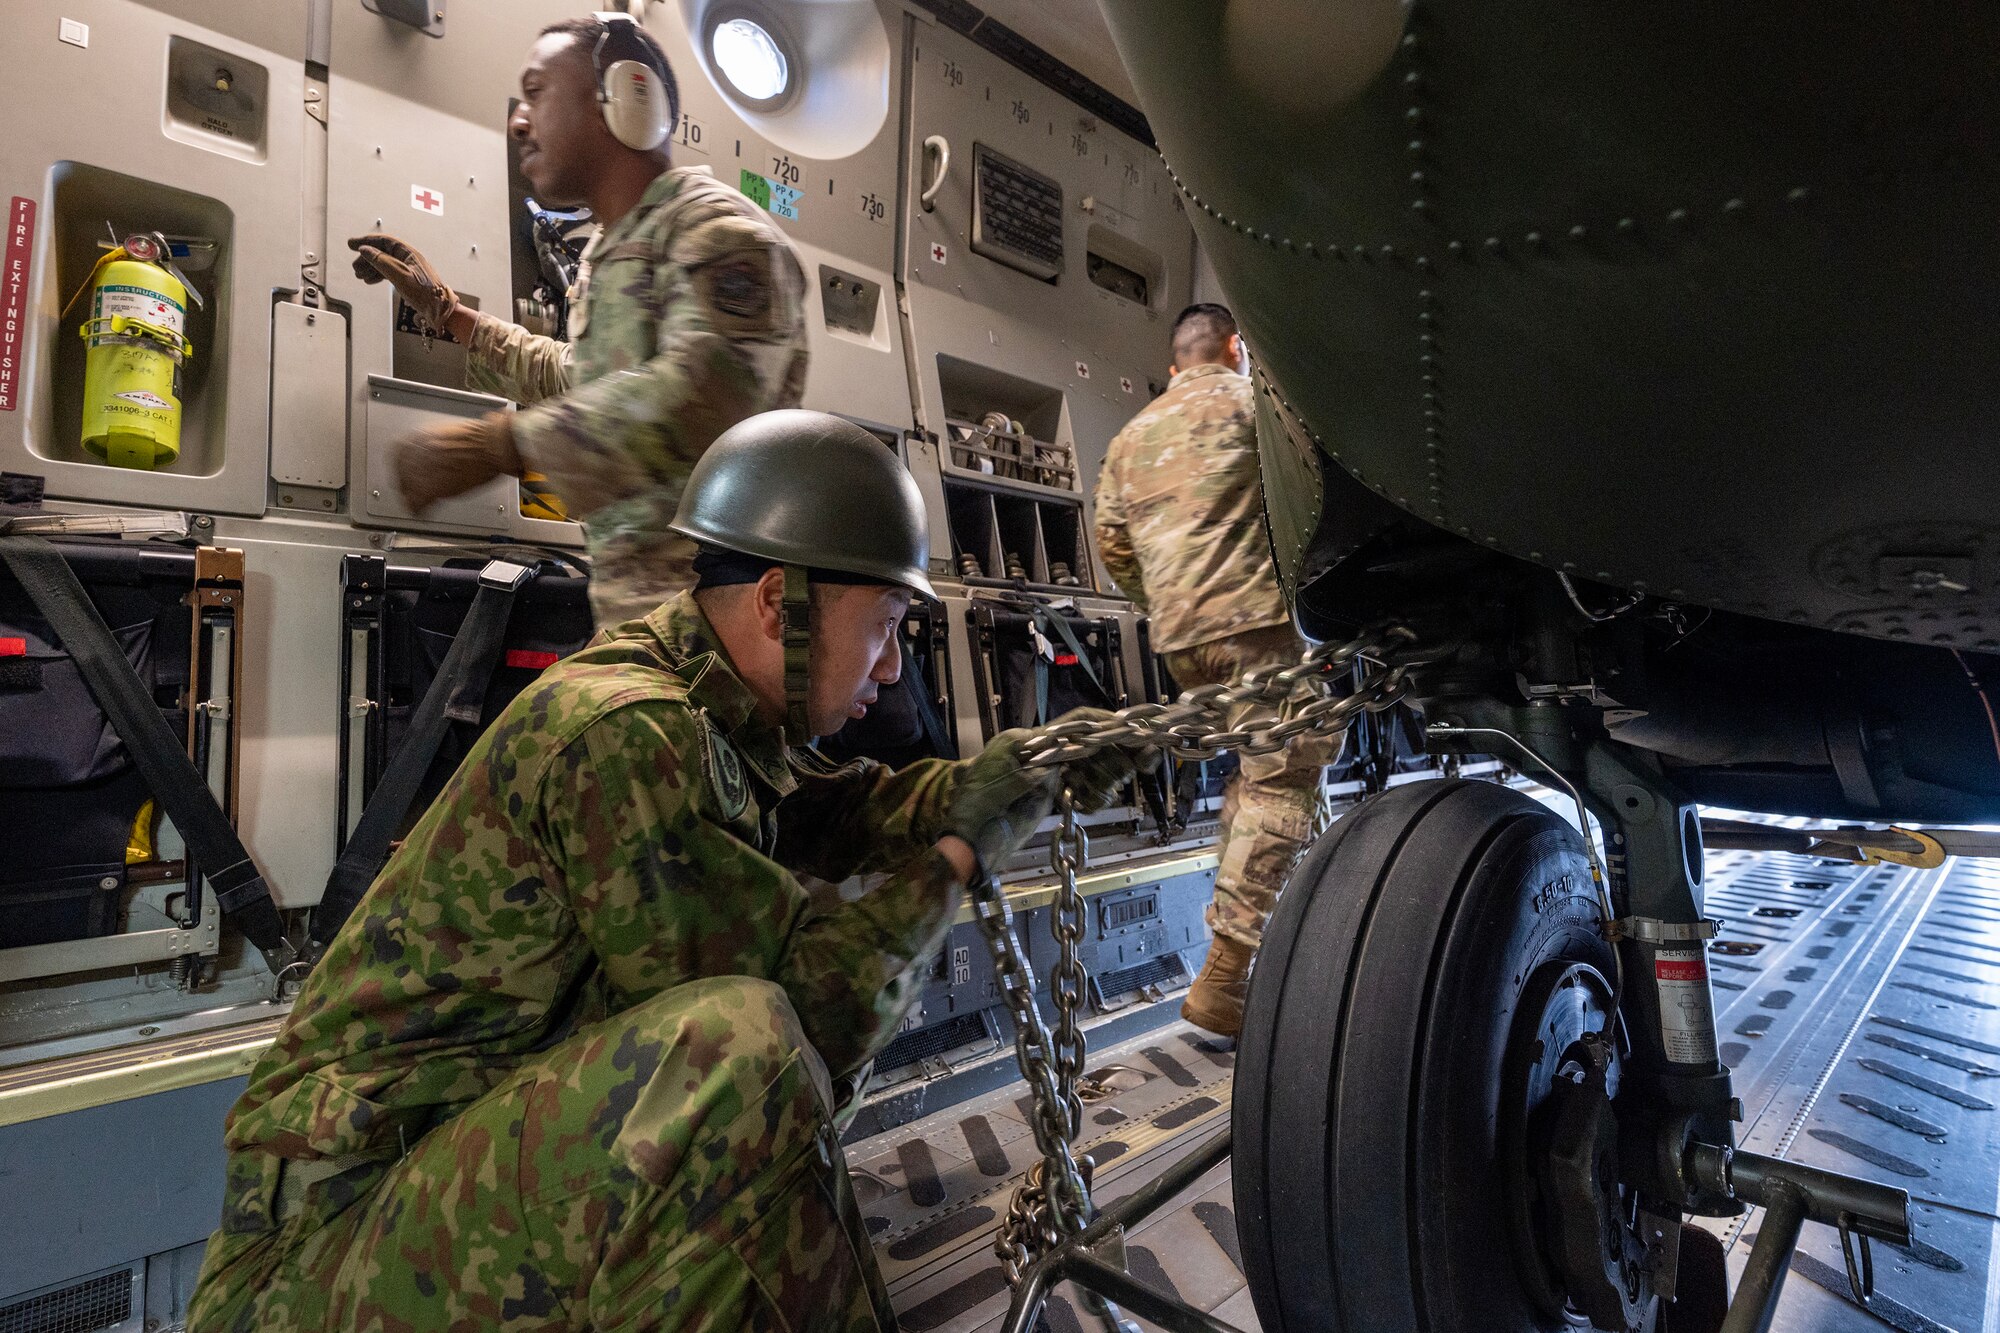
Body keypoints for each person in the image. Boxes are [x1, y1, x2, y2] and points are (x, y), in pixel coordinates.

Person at [186, 411, 1137, 1331]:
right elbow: (818, 1015)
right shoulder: (626, 728)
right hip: (323, 1248)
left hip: (436, 1161)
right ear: (777, 603)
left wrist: (1008, 774)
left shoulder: (704, 695)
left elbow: (828, 809)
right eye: (885, 626)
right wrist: (963, 855)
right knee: (742, 1050)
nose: (891, 670)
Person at [347, 14, 808, 627]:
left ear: (624, 98)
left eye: (537, 92)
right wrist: (450, 315)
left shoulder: (719, 233)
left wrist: (503, 444)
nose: (517, 119)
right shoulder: (609, 251)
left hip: (737, 623)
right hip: (648, 620)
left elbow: (704, 394)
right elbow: (584, 379)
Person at [1093, 303, 1332, 1039]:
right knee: (1288, 769)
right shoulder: (1256, 404)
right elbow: (1308, 500)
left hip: (1182, 642)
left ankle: (1268, 929)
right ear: (1236, 349)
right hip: (1255, 623)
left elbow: (1111, 543)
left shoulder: (1131, 436)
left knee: (1254, 779)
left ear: (1174, 366)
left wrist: (1168, 603)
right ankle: (1227, 971)